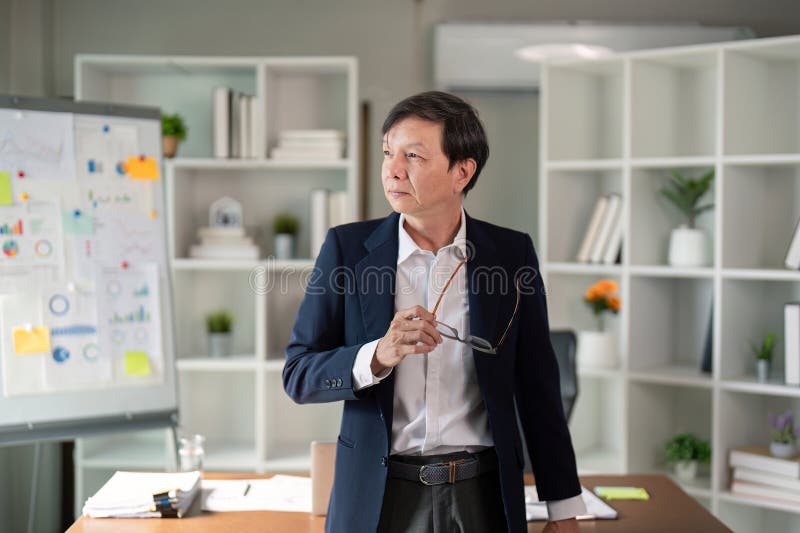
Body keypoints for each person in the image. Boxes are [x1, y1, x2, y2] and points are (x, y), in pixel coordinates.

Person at [284, 91, 584, 533]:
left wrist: (564, 507)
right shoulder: (346, 249)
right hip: (379, 497)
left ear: (462, 171)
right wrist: (377, 355)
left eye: (413, 156)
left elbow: (538, 386)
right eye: (387, 152)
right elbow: (298, 374)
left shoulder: (512, 254)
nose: (392, 169)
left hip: (484, 497)